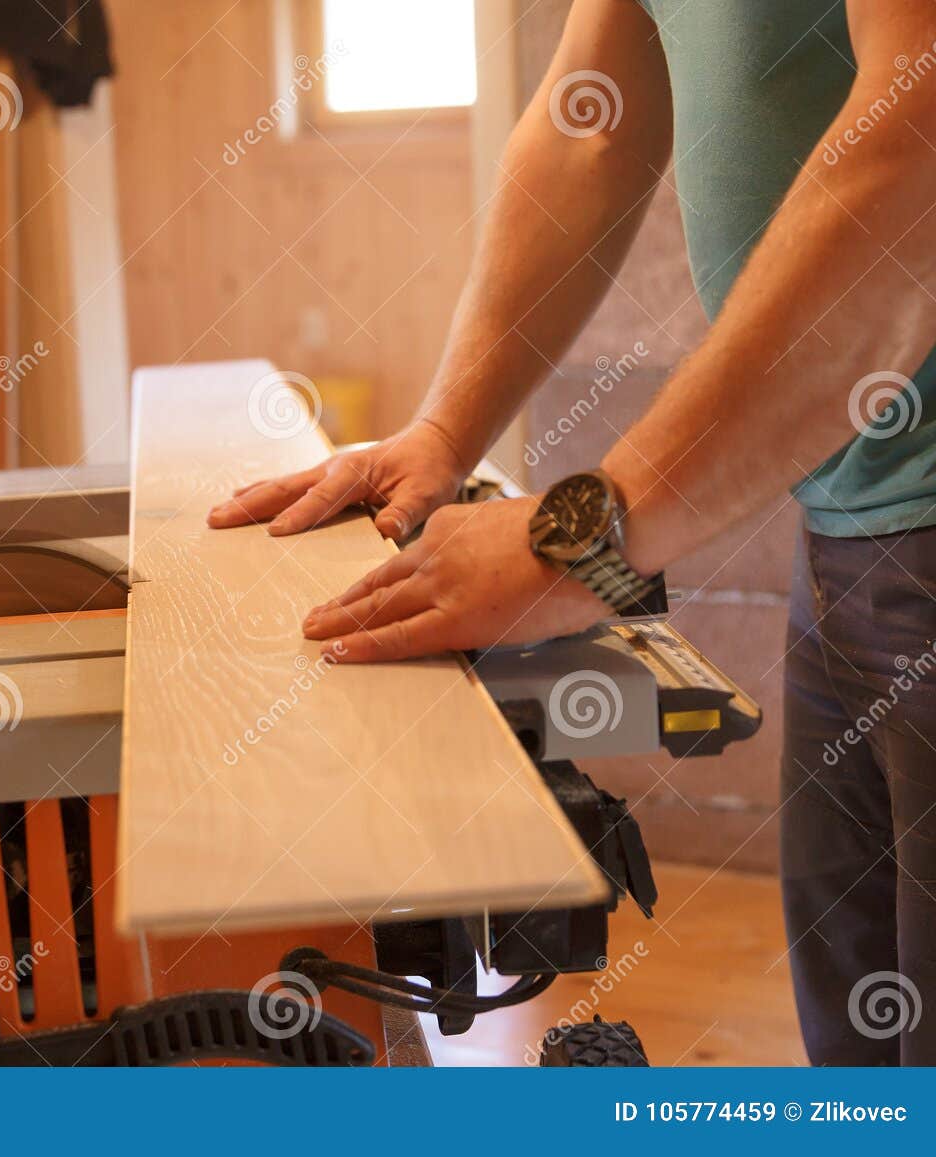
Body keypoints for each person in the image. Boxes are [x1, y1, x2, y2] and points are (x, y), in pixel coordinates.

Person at [207, 0, 936, 1066]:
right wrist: (443, 432)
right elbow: (589, 124)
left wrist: (583, 536)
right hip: (849, 522)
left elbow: (916, 136)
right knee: (868, 1060)